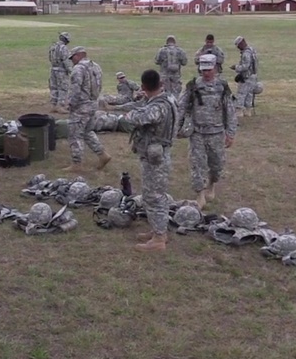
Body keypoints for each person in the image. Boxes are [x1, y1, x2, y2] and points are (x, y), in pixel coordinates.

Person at [124, 69, 179, 252]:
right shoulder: (167, 99)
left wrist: (129, 115)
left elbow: (143, 117)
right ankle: (158, 230)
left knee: (153, 196)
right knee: (155, 194)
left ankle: (159, 239)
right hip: (160, 153)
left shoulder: (157, 106)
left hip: (156, 157)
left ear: (144, 86)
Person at [177, 54, 236, 208]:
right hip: (197, 132)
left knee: (217, 165)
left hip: (216, 133)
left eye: (209, 70)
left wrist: (230, 133)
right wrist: (176, 127)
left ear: (215, 68)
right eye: (203, 70)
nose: (206, 73)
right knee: (197, 164)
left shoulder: (222, 87)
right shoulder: (193, 86)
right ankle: (200, 194)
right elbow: (181, 107)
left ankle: (211, 184)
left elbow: (229, 111)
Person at [65, 46, 111, 171]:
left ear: (78, 55)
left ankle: (77, 164)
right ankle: (103, 155)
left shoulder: (78, 69)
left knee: (75, 135)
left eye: (72, 57)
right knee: (87, 132)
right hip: (92, 104)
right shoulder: (96, 66)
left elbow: (75, 89)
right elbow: (99, 85)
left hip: (81, 106)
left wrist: (70, 104)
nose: (72, 60)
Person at [231, 36, 259, 117]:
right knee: (249, 94)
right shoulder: (252, 50)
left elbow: (245, 66)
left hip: (247, 76)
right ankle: (248, 110)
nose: (238, 47)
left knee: (241, 93)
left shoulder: (246, 54)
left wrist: (236, 67)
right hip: (253, 75)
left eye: (238, 45)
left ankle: (239, 111)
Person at [48, 31, 72, 113]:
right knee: (63, 88)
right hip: (61, 71)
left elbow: (50, 58)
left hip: (53, 69)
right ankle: (61, 106)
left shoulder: (53, 46)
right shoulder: (63, 48)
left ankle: (53, 105)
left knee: (53, 87)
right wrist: (70, 70)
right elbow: (66, 60)